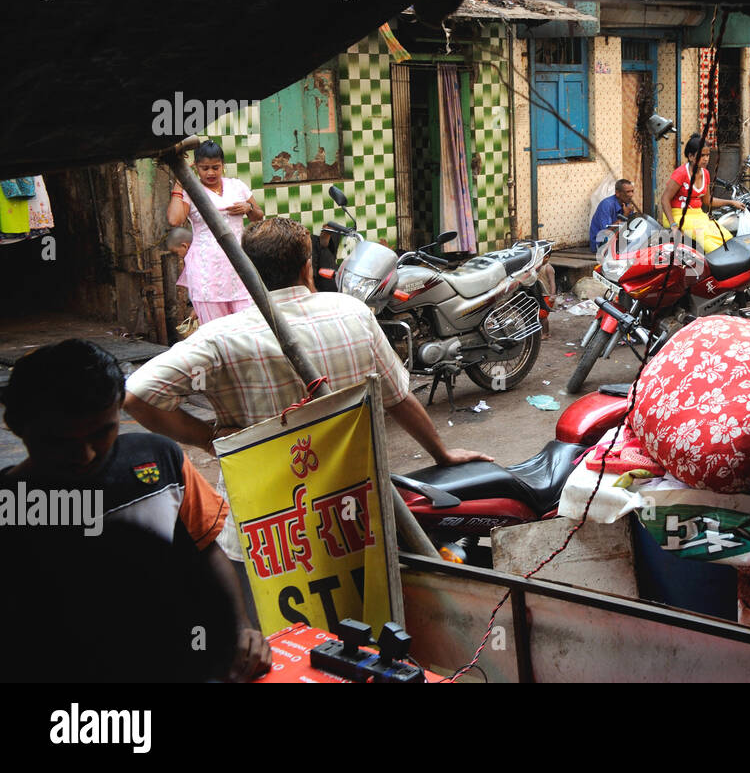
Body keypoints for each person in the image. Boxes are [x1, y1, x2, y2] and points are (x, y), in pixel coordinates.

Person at [0, 339, 270, 682]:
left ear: (118, 410)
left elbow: (204, 552)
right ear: (18, 426)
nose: (85, 455)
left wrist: (239, 628)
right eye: (59, 441)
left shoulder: (159, 461)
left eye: (102, 432)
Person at [124, 217, 490, 468]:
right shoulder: (354, 314)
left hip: (266, 522)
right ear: (306, 267)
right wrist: (442, 454)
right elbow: (399, 399)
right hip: (354, 499)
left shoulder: (220, 338)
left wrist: (208, 437)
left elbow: (136, 395)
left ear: (247, 273)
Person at [168, 140, 264, 324]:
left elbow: (258, 216)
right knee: (216, 330)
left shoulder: (237, 186)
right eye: (204, 168)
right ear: (195, 167)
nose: (211, 173)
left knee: (248, 325)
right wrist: (180, 183)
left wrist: (248, 207)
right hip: (206, 271)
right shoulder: (191, 191)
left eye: (215, 167)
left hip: (239, 265)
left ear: (223, 165)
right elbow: (174, 220)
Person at [658, 134, 743, 254]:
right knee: (708, 242)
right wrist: (673, 225)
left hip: (697, 215)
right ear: (691, 156)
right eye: (702, 155)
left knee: (726, 237)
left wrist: (731, 202)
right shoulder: (681, 173)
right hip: (678, 215)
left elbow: (707, 201)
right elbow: (665, 199)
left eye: (708, 155)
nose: (706, 159)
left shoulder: (706, 174)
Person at [591, 178, 640, 252]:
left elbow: (631, 226)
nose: (631, 195)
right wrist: (625, 215)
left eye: (632, 191)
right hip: (601, 243)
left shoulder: (627, 204)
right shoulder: (607, 204)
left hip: (617, 240)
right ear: (617, 193)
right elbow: (606, 231)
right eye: (627, 192)